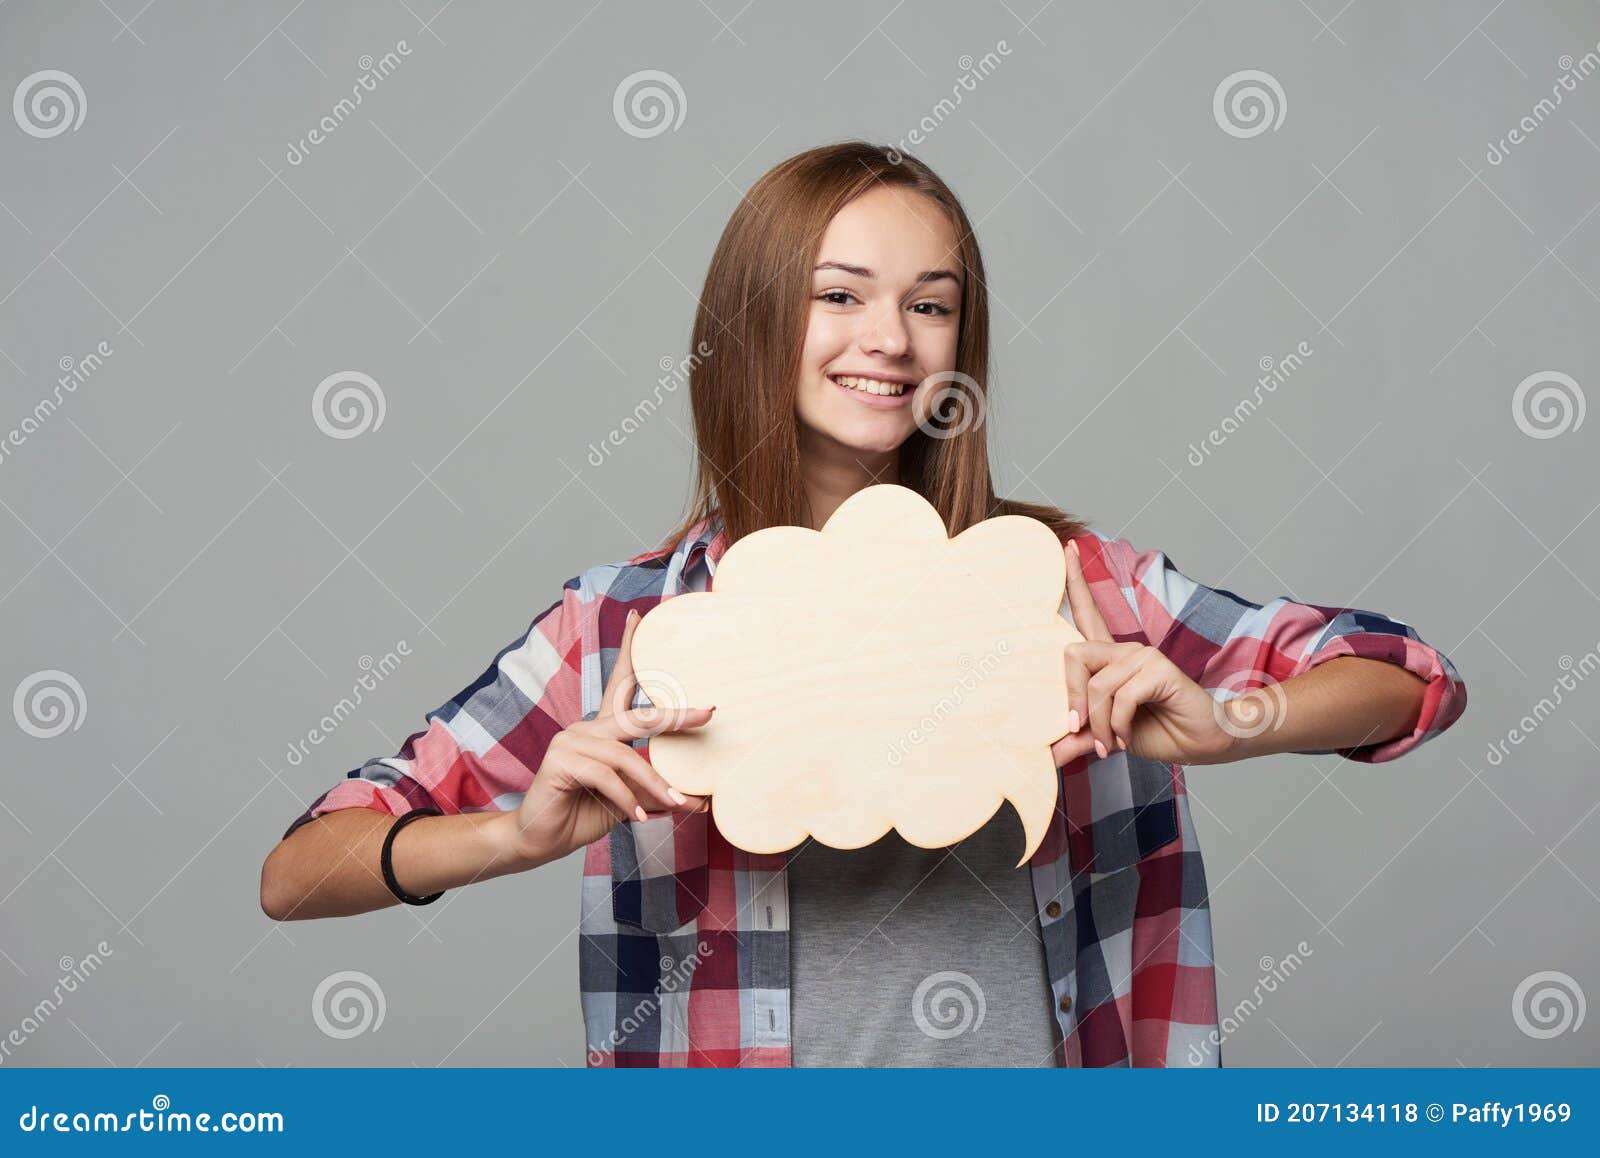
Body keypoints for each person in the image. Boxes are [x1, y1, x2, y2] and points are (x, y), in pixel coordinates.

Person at [259, 141, 1468, 1067]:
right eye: (838, 295)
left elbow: (1406, 678)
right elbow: (298, 872)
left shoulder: (1074, 587)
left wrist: (1228, 721)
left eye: (930, 304)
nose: (889, 338)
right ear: (751, 321)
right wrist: (515, 837)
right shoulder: (622, 627)